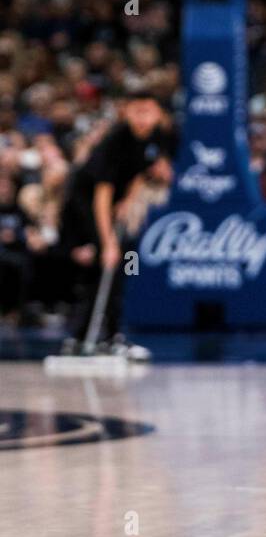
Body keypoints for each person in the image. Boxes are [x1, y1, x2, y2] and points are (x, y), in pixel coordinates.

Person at [59, 94, 175, 355]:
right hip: (85, 201)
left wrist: (127, 201)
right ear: (126, 113)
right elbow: (101, 195)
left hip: (115, 199)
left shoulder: (157, 137)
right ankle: (83, 338)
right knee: (106, 262)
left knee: (117, 269)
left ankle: (109, 336)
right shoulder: (114, 142)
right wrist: (108, 242)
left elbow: (140, 174)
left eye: (149, 111)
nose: (143, 118)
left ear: (158, 114)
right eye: (137, 111)